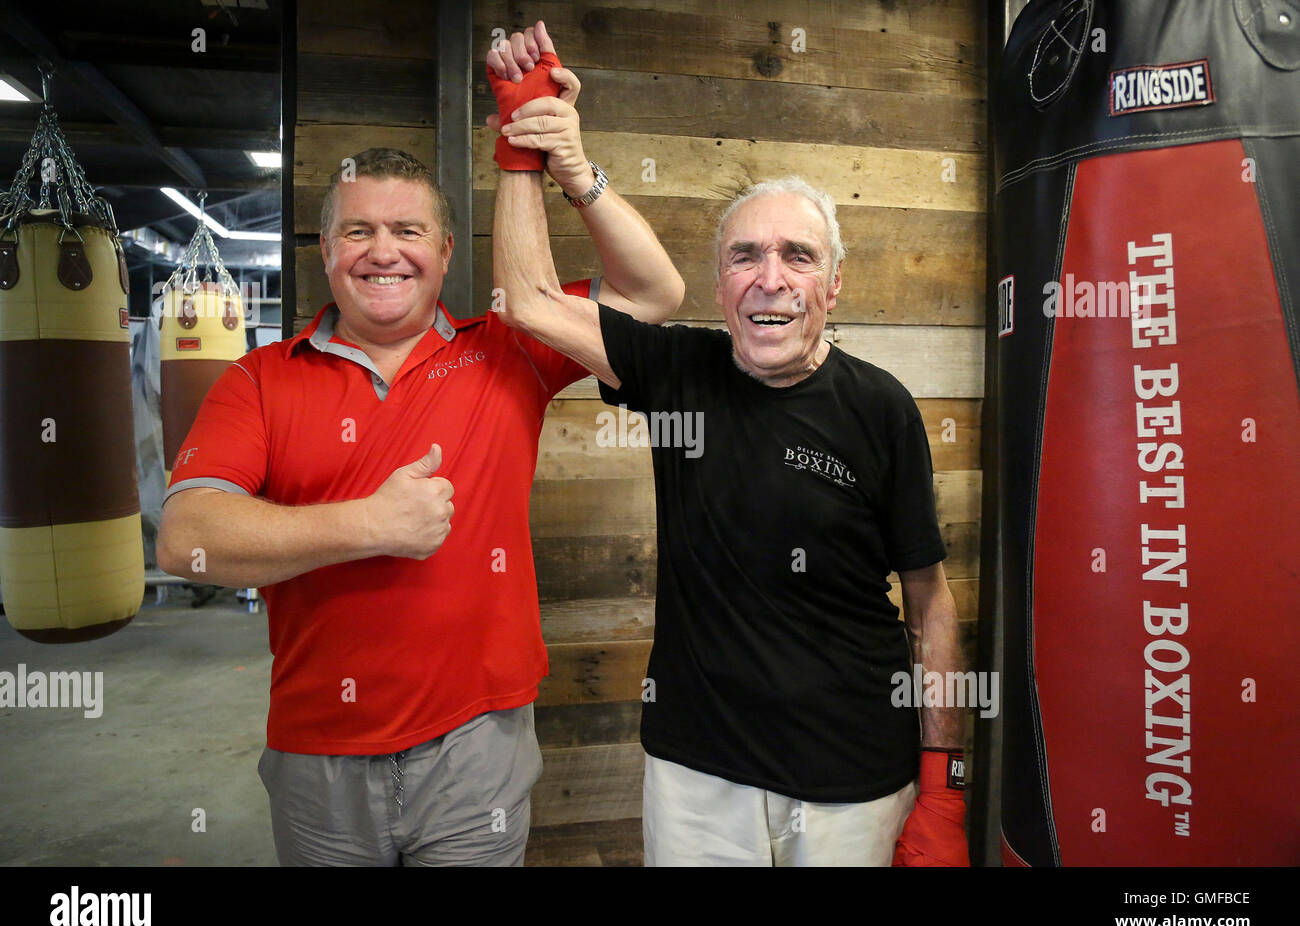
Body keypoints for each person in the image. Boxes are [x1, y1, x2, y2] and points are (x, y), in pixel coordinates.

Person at [156, 21, 684, 866]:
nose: (382, 252)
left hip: (477, 751)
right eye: (358, 232)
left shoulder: (510, 348)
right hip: (319, 753)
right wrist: (371, 525)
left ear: (443, 251)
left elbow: (654, 293)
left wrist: (562, 164)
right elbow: (187, 544)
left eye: (407, 231)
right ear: (326, 252)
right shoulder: (260, 378)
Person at [493, 116, 968, 864]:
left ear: (834, 286)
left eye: (798, 257)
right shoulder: (679, 371)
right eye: (745, 256)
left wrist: (945, 781)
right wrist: (529, 147)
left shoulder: (882, 409)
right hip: (698, 776)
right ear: (720, 285)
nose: (769, 279)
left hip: (854, 775)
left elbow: (930, 602)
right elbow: (528, 301)